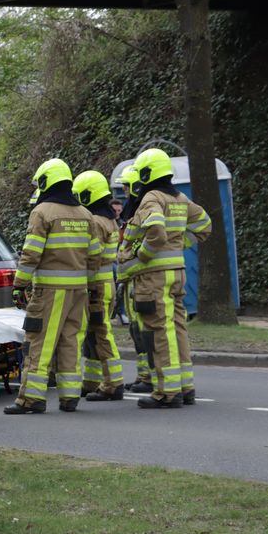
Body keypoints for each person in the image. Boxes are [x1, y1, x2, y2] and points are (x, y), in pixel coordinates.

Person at [5, 159, 102, 414]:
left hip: (49, 291)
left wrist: (19, 285)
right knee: (71, 341)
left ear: (46, 181)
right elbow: (95, 257)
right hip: (79, 292)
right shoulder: (86, 215)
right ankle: (70, 396)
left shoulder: (43, 212)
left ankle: (31, 399)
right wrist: (93, 288)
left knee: (39, 342)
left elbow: (31, 253)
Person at [119, 148, 211, 408]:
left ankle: (167, 392)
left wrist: (143, 255)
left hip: (154, 277)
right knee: (177, 328)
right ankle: (185, 386)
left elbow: (156, 232)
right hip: (176, 273)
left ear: (147, 174)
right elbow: (204, 225)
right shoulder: (180, 198)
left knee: (159, 331)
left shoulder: (152, 198)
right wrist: (178, 244)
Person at [72, 171, 125, 401]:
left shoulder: (94, 221)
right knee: (94, 334)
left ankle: (113, 383)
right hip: (106, 284)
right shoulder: (109, 219)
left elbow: (89, 255)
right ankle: (92, 381)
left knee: (101, 333)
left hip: (96, 286)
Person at [116, 165, 154, 393]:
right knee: (135, 330)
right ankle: (143, 375)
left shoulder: (142, 210)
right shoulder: (131, 210)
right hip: (130, 277)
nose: (123, 190)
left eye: (126, 186)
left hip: (140, 276)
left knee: (143, 329)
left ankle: (149, 377)